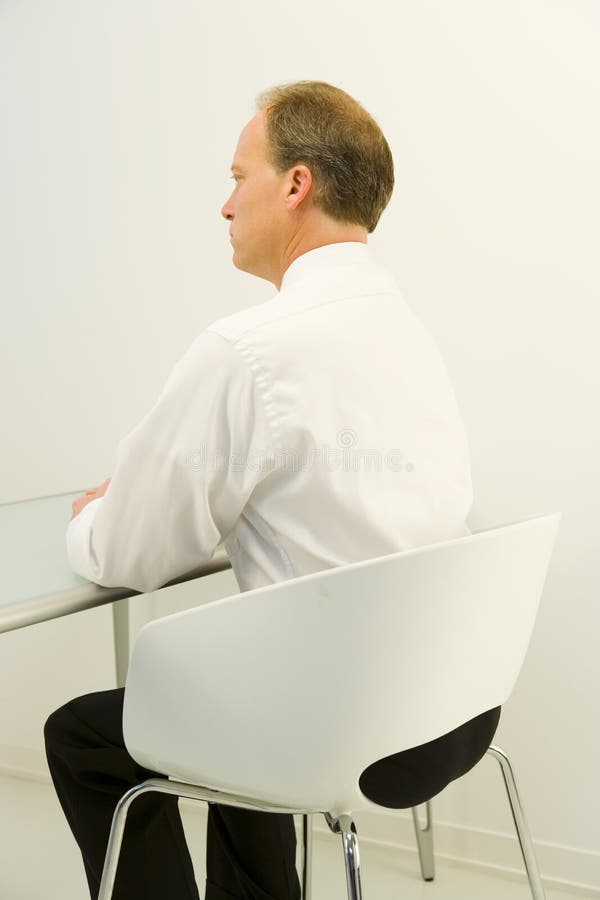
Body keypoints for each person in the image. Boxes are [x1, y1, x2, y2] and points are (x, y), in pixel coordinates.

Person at [44, 80, 500, 900]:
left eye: (236, 175)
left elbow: (130, 555)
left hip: (330, 733)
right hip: (449, 711)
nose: (224, 206)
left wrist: (100, 512)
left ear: (296, 185)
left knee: (85, 735)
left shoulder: (247, 350)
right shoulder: (406, 331)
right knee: (242, 683)